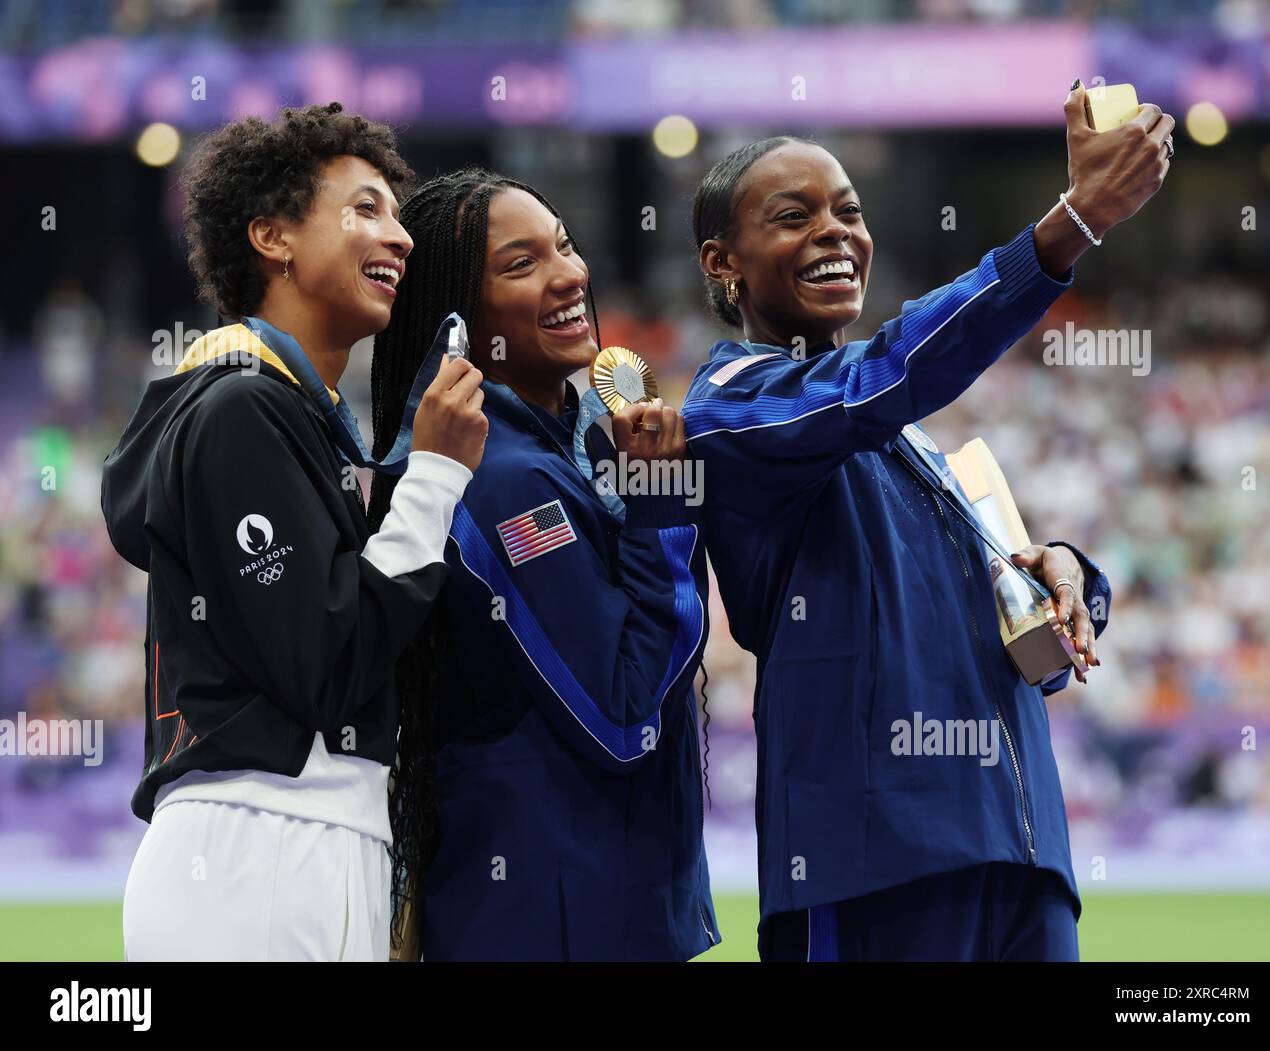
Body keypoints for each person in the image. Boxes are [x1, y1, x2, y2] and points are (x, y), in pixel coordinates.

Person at [680, 82, 1173, 961]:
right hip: (876, 872)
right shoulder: (732, 408)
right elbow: (886, 374)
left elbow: (1035, 662)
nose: (836, 231)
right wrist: (1070, 224)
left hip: (1019, 857)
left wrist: (1060, 573)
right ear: (724, 263)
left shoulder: (907, 442)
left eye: (849, 211)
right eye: (794, 215)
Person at [101, 103, 488, 961]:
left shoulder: (288, 416)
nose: (402, 237)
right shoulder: (239, 405)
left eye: (397, 213)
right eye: (364, 209)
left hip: (307, 838)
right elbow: (330, 660)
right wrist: (432, 477)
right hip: (253, 845)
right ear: (273, 237)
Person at [369, 167, 717, 961]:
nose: (569, 274)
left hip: (574, 903)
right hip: (555, 916)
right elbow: (623, 712)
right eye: (521, 264)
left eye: (563, 244)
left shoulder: (561, 437)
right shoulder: (500, 474)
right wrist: (661, 502)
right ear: (460, 318)